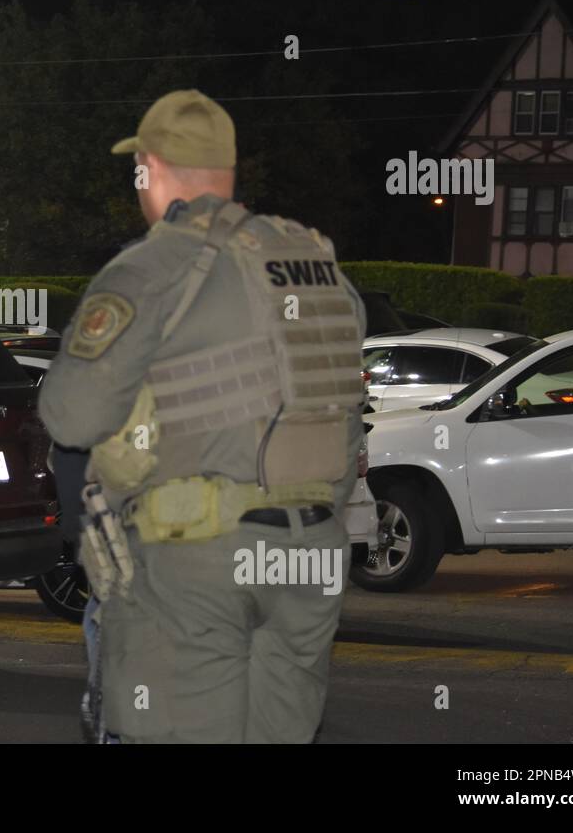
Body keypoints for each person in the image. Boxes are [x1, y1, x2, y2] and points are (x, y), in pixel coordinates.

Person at [38, 90, 366, 743]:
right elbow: (348, 417)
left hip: (199, 560)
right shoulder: (315, 265)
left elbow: (69, 417)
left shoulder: (154, 265)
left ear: (150, 168)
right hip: (310, 560)